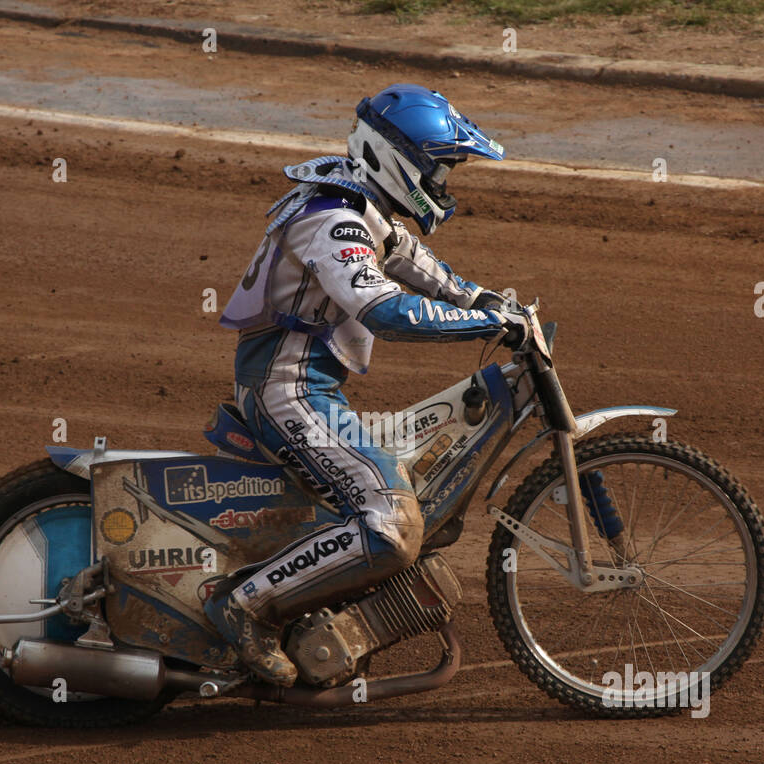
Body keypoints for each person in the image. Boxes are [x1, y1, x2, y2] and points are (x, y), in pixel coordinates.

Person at [207, 83, 531, 685]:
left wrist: (487, 301)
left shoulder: (361, 209)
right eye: (439, 170)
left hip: (307, 387)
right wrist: (486, 323)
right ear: (397, 158)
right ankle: (245, 607)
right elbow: (384, 308)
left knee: (401, 489)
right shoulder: (333, 220)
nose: (443, 185)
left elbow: (416, 265)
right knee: (391, 522)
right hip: (288, 392)